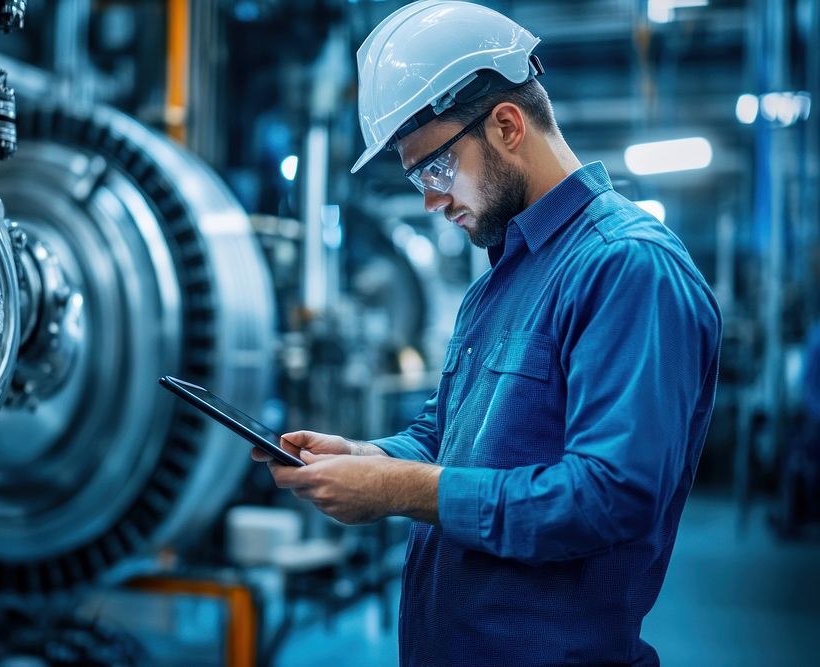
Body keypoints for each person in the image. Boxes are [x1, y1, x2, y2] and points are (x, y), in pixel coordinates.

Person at [253, 2, 722, 665]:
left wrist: (398, 491)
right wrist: (367, 454)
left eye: (434, 171)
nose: (430, 200)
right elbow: (448, 434)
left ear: (506, 125)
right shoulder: (497, 282)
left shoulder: (628, 268)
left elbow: (607, 496)